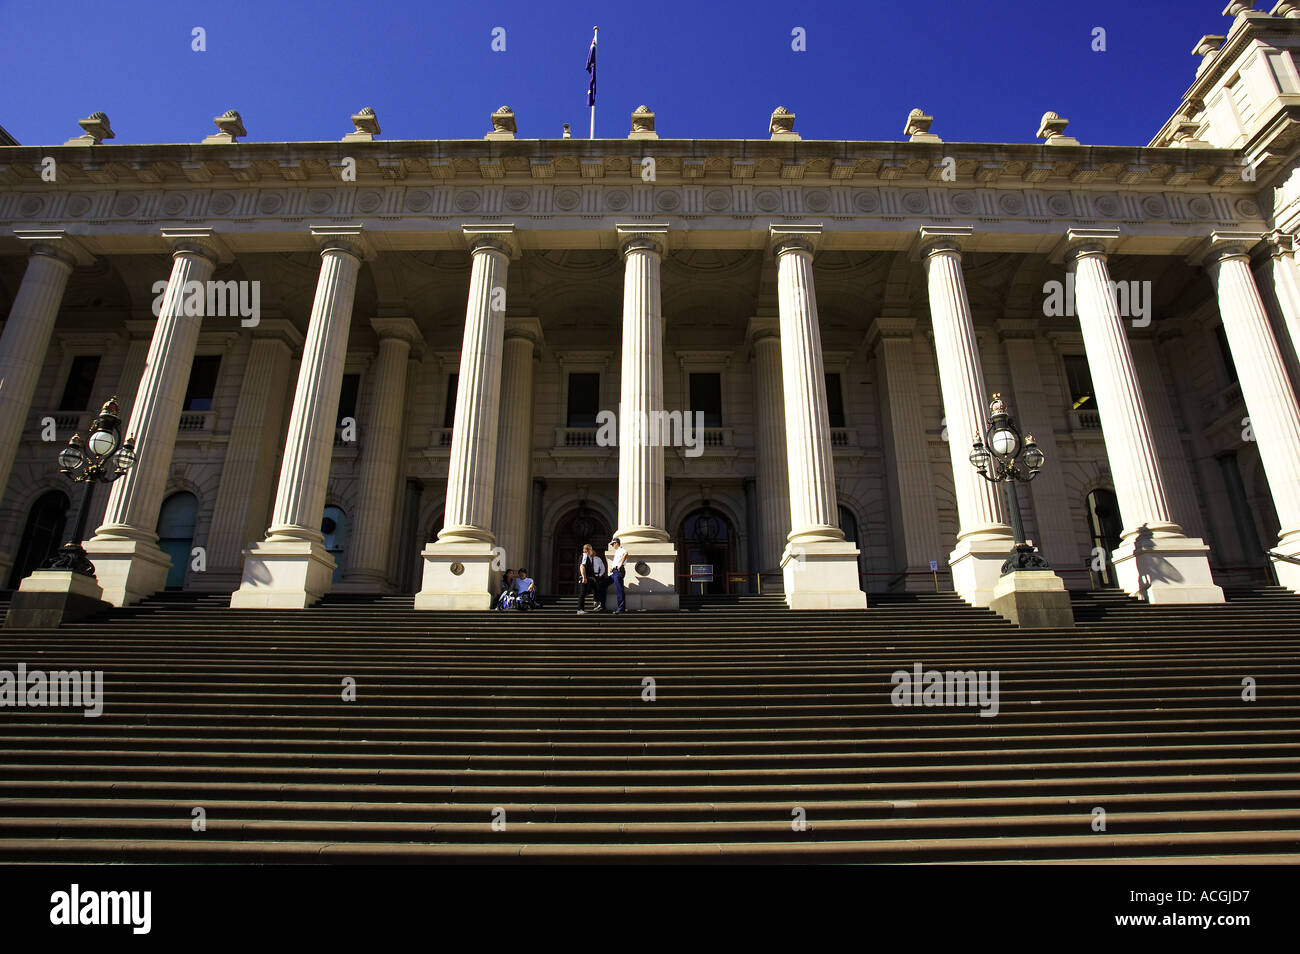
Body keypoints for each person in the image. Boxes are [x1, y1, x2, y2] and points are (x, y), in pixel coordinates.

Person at [577, 544, 602, 614]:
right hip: (585, 577)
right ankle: (580, 609)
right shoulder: (584, 556)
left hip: (589, 578)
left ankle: (596, 600)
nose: (592, 551)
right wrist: (584, 577)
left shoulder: (587, 556)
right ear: (588, 550)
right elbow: (582, 566)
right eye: (591, 549)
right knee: (583, 593)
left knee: (595, 585)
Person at [608, 537, 628, 613]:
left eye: (613, 544)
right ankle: (601, 604)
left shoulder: (621, 549)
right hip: (615, 571)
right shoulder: (617, 551)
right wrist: (612, 567)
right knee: (604, 584)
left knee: (619, 590)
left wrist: (620, 564)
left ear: (616, 543)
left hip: (618, 571)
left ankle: (621, 608)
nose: (612, 546)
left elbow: (626, 554)